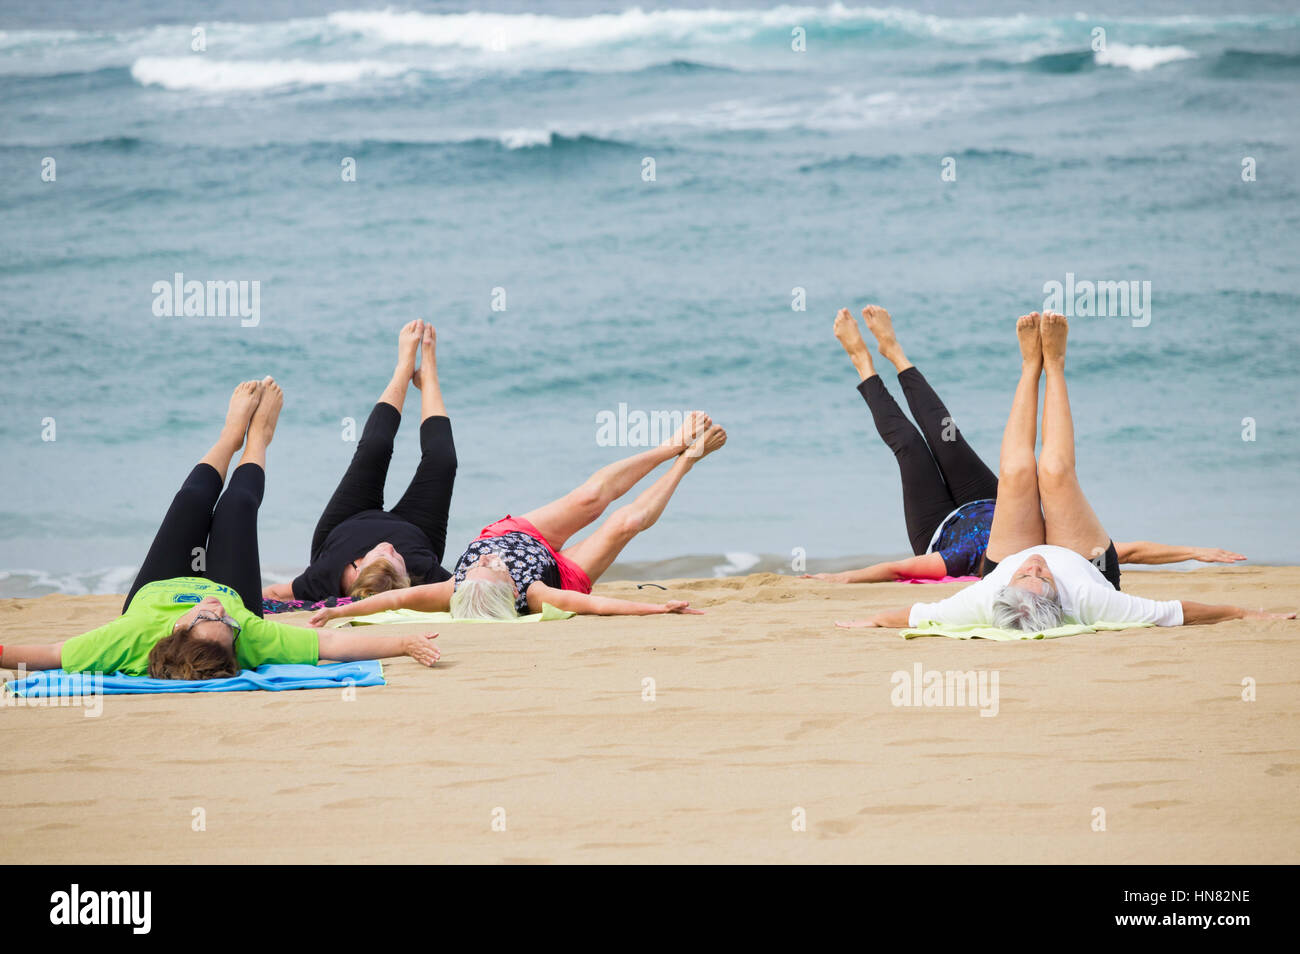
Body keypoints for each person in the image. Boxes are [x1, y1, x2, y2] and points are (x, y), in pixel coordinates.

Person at [837, 312, 1294, 632]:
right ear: (1059, 596)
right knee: (1053, 471)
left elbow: (915, 614)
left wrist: (863, 617)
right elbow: (1176, 611)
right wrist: (1244, 613)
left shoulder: (979, 598)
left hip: (964, 533)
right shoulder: (1096, 600)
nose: (1035, 565)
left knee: (1012, 469)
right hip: (1087, 562)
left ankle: (1023, 366)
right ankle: (1053, 364)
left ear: (1004, 588)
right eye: (1040, 577)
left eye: (1025, 576)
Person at [0, 379, 441, 678]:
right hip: (240, 591)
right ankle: (256, 439)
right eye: (225, 624)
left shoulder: (130, 638)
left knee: (191, 501)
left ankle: (229, 435)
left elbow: (50, 655)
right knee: (236, 505)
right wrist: (403, 642)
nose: (216, 610)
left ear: (178, 629)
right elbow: (332, 647)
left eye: (207, 618)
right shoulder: (249, 634)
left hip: (156, 592)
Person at [309, 414, 727, 624]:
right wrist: (656, 610)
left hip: (515, 533)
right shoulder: (541, 596)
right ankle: (686, 462)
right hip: (562, 571)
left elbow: (396, 599)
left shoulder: (455, 589)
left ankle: (669, 447)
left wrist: (338, 613)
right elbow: (599, 605)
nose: (488, 562)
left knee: (591, 496)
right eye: (494, 570)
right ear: (511, 592)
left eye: (477, 566)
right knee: (623, 524)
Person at [262, 319, 457, 603]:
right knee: (443, 461)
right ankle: (428, 379)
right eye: (396, 557)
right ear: (407, 579)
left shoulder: (324, 576)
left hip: (347, 521)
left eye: (380, 552)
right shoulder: (424, 574)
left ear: (355, 569)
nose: (390, 546)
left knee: (374, 448)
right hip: (419, 530)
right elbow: (466, 590)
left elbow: (271, 594)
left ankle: (402, 371)